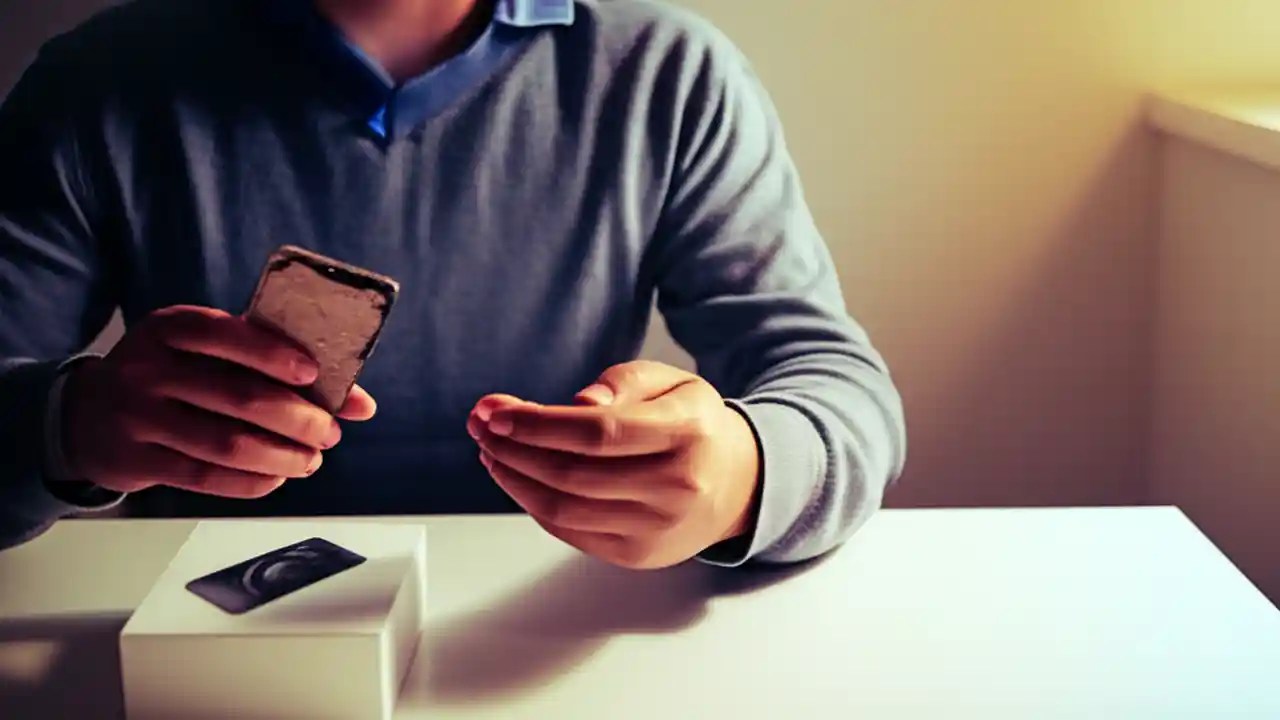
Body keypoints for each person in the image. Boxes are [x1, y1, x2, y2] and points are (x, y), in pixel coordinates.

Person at [0, 0, 906, 567]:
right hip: (193, 646)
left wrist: (745, 471)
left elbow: (836, 383)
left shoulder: (671, 75)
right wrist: (69, 424)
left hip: (538, 632)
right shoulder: (98, 84)